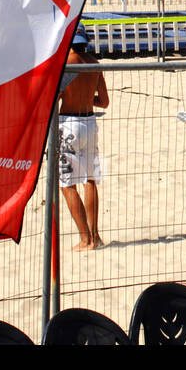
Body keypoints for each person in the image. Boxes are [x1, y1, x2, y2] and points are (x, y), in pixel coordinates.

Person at [58, 27, 108, 251]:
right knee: (90, 180)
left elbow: (56, 97)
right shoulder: (95, 64)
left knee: (67, 184)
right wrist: (88, 98)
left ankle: (84, 238)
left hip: (69, 123)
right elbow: (104, 102)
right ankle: (95, 236)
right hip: (90, 122)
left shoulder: (67, 62)